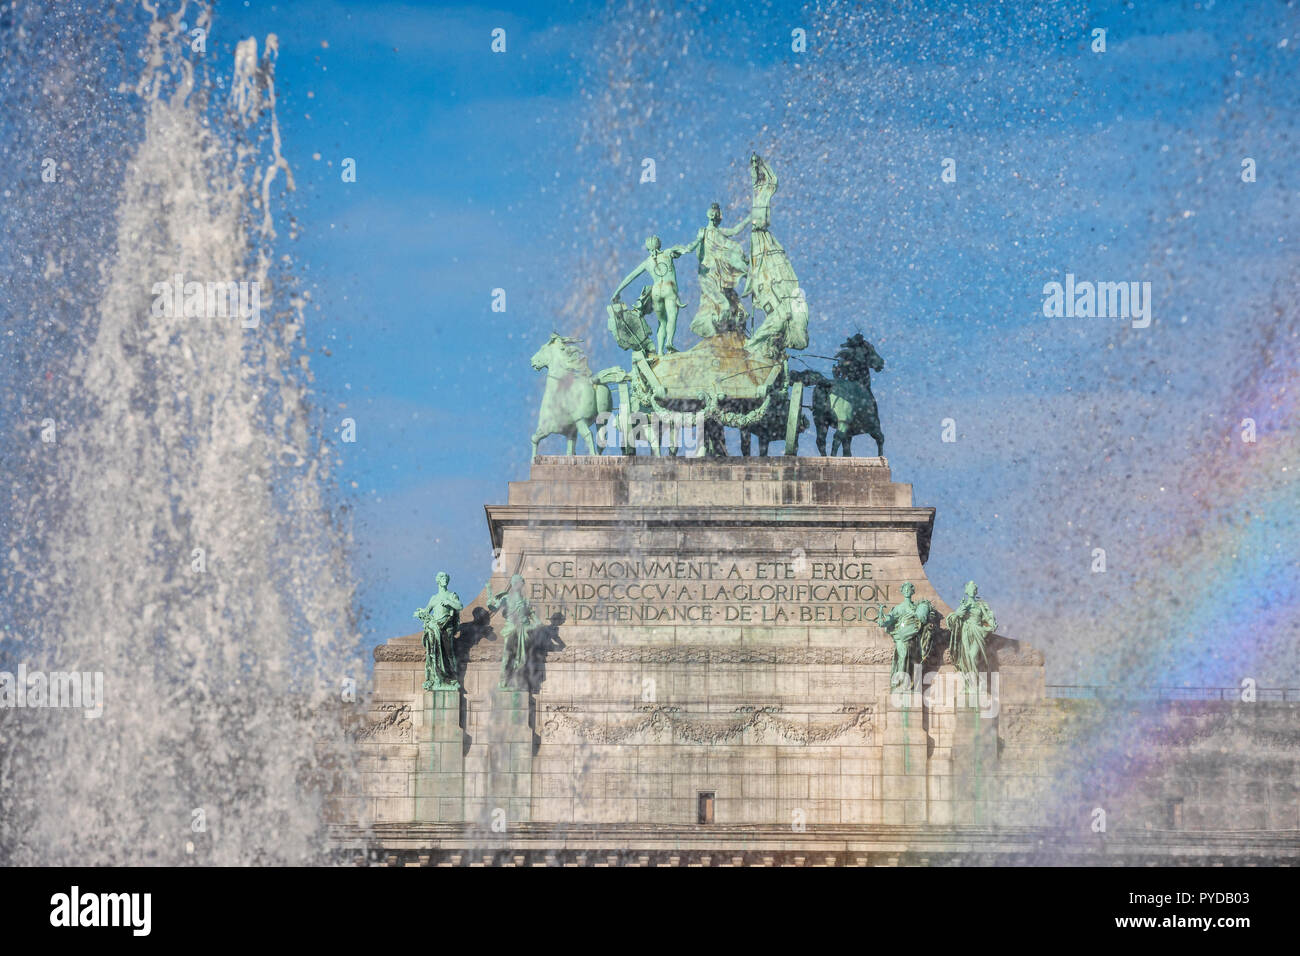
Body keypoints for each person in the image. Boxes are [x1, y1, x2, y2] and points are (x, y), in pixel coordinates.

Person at [611, 235, 692, 354]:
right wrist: (697, 241)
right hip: (669, 289)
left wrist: (616, 292)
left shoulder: (647, 262)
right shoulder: (668, 252)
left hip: (656, 291)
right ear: (659, 244)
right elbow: (687, 249)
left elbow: (630, 277)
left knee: (662, 322)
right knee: (672, 316)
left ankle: (659, 352)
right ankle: (669, 342)